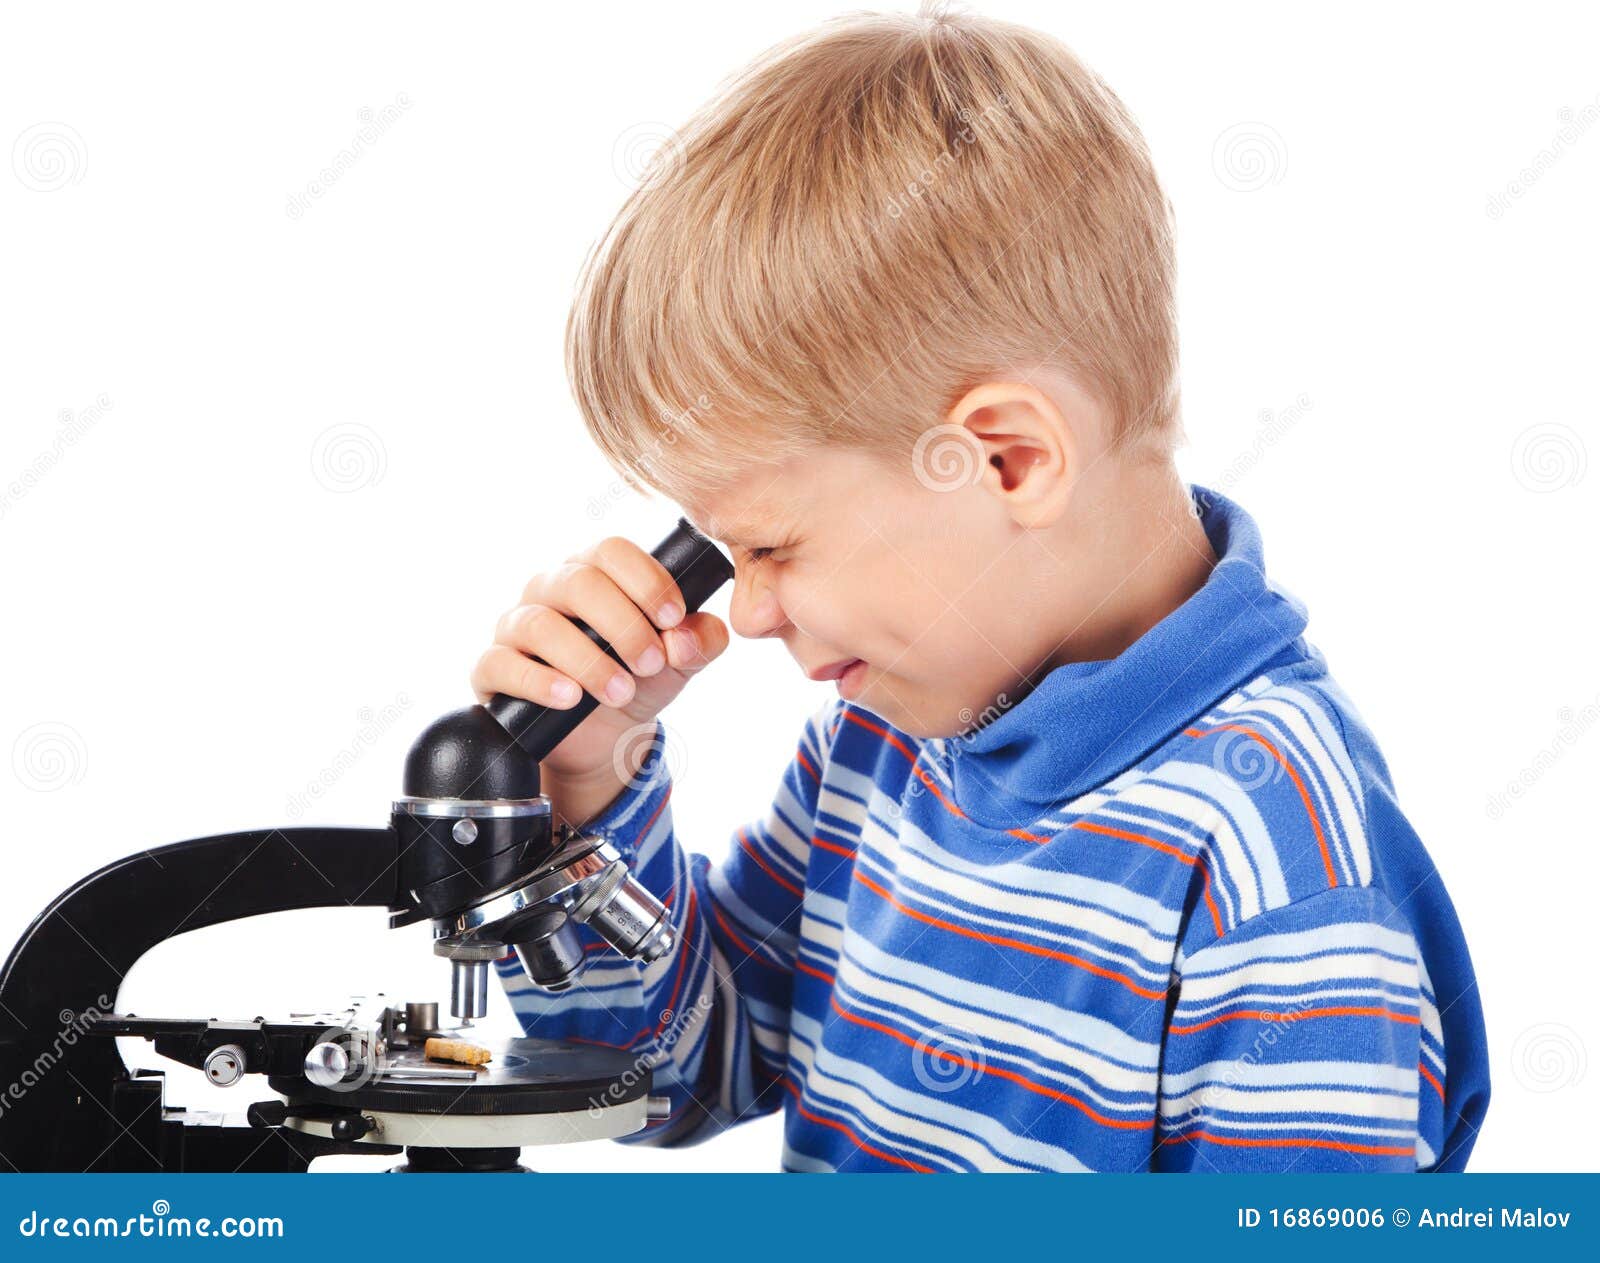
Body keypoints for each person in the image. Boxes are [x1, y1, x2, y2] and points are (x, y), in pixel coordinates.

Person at [468, 6, 1488, 1171]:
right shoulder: (883, 745)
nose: (743, 612)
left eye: (770, 546)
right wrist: (585, 786)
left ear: (1006, 459)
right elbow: (667, 1077)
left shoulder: (1277, 867)